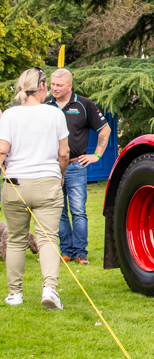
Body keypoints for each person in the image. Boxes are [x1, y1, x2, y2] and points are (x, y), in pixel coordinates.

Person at [0, 67, 70, 310]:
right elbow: (64, 153)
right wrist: (60, 176)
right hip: (47, 183)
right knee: (48, 238)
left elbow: (2, 151)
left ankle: (15, 294)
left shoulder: (9, 115)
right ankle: (50, 289)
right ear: (41, 86)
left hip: (15, 184)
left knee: (17, 240)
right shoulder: (55, 114)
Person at [45, 68, 110, 265]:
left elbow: (104, 129)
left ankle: (81, 253)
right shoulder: (46, 104)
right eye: (52, 84)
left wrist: (96, 155)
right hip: (51, 166)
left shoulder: (84, 104)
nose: (54, 88)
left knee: (78, 210)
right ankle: (66, 251)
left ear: (69, 86)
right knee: (59, 210)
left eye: (59, 85)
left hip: (75, 166)